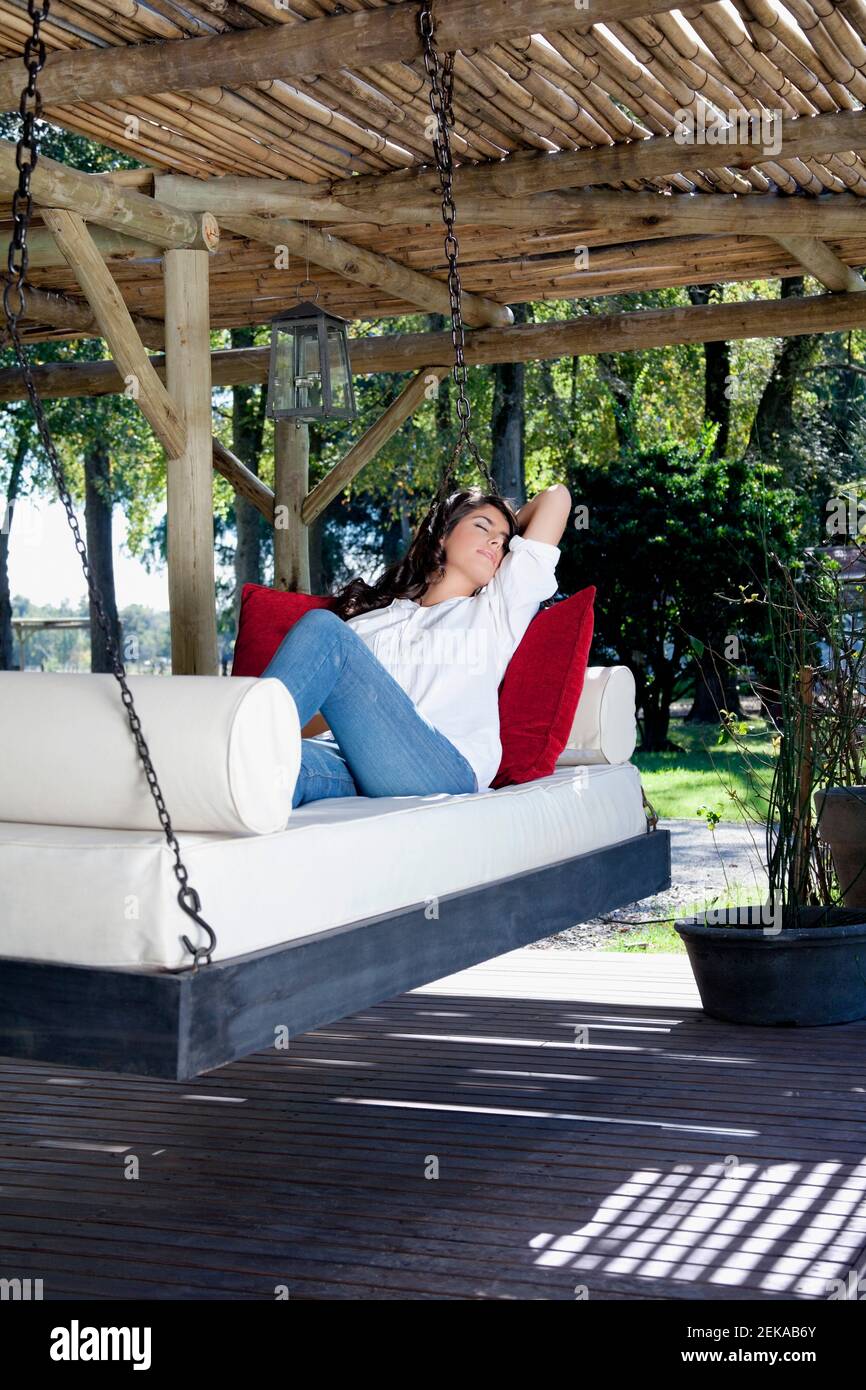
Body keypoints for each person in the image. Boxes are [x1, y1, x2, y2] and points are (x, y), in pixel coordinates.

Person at [261, 482, 572, 806]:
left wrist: (503, 528)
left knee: (322, 628)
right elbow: (310, 721)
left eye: (504, 541)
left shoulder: (496, 610)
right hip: (360, 761)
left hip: (444, 768)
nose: (496, 541)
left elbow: (557, 498)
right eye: (482, 527)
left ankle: (240, 734)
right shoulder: (369, 624)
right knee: (270, 769)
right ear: (441, 534)